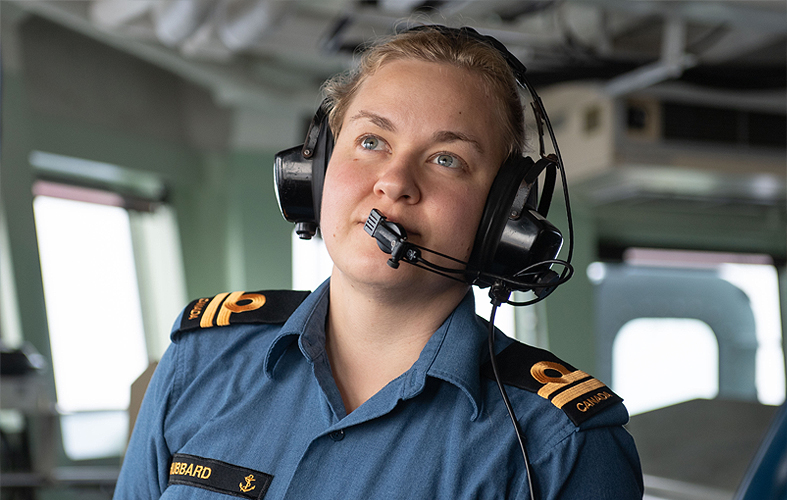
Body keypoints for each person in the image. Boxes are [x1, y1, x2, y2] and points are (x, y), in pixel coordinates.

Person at [114, 25, 643, 499]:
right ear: (316, 170)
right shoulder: (201, 364)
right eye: (371, 141)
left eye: (446, 159)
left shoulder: (564, 444)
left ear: (501, 215)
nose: (394, 181)